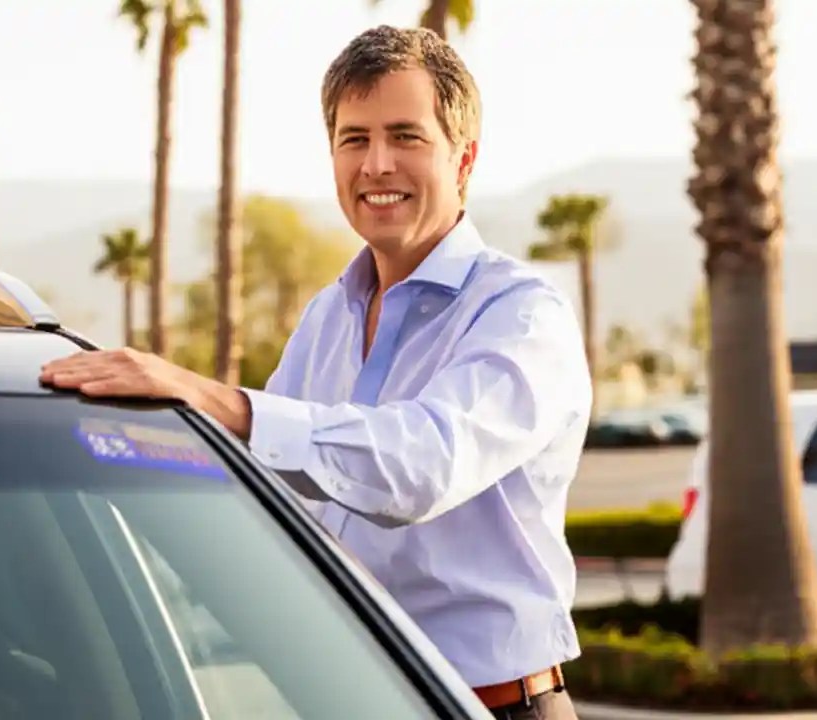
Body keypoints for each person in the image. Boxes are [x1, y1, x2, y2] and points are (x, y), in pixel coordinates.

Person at [40, 24, 591, 719]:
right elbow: (257, 487)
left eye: (405, 136)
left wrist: (215, 401)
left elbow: (419, 466)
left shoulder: (521, 316)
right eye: (354, 139)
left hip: (495, 708)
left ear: (465, 159)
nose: (376, 164)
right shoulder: (328, 317)